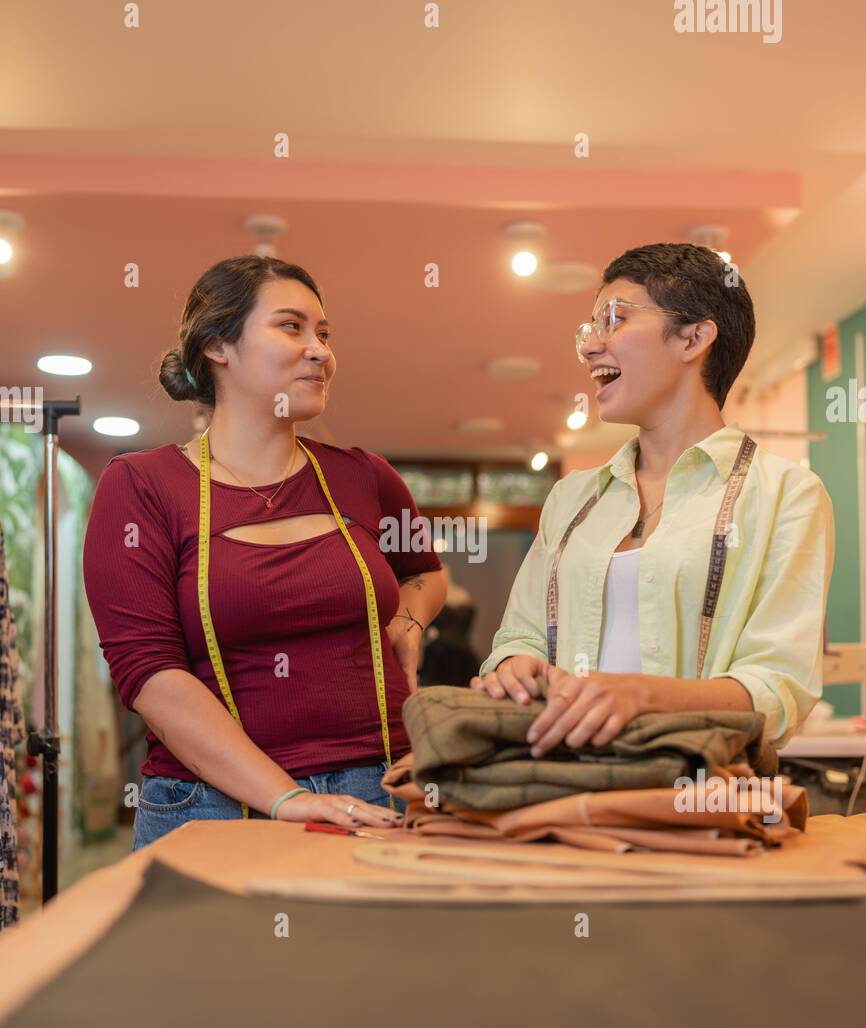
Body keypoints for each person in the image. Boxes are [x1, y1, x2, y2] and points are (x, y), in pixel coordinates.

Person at [83, 256, 446, 848]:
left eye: (324, 334)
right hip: (213, 804)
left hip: (382, 787)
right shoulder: (142, 485)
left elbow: (423, 573)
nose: (320, 351)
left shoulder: (365, 477)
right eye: (291, 327)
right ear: (219, 345)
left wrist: (407, 622)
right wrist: (290, 798)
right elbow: (150, 674)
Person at [471, 242, 835, 757]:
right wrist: (514, 668)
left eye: (615, 320)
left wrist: (638, 696)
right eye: (589, 329)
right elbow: (519, 637)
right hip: (559, 784)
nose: (590, 346)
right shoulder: (572, 498)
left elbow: (776, 689)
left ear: (694, 337)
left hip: (695, 799)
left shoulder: (785, 496)